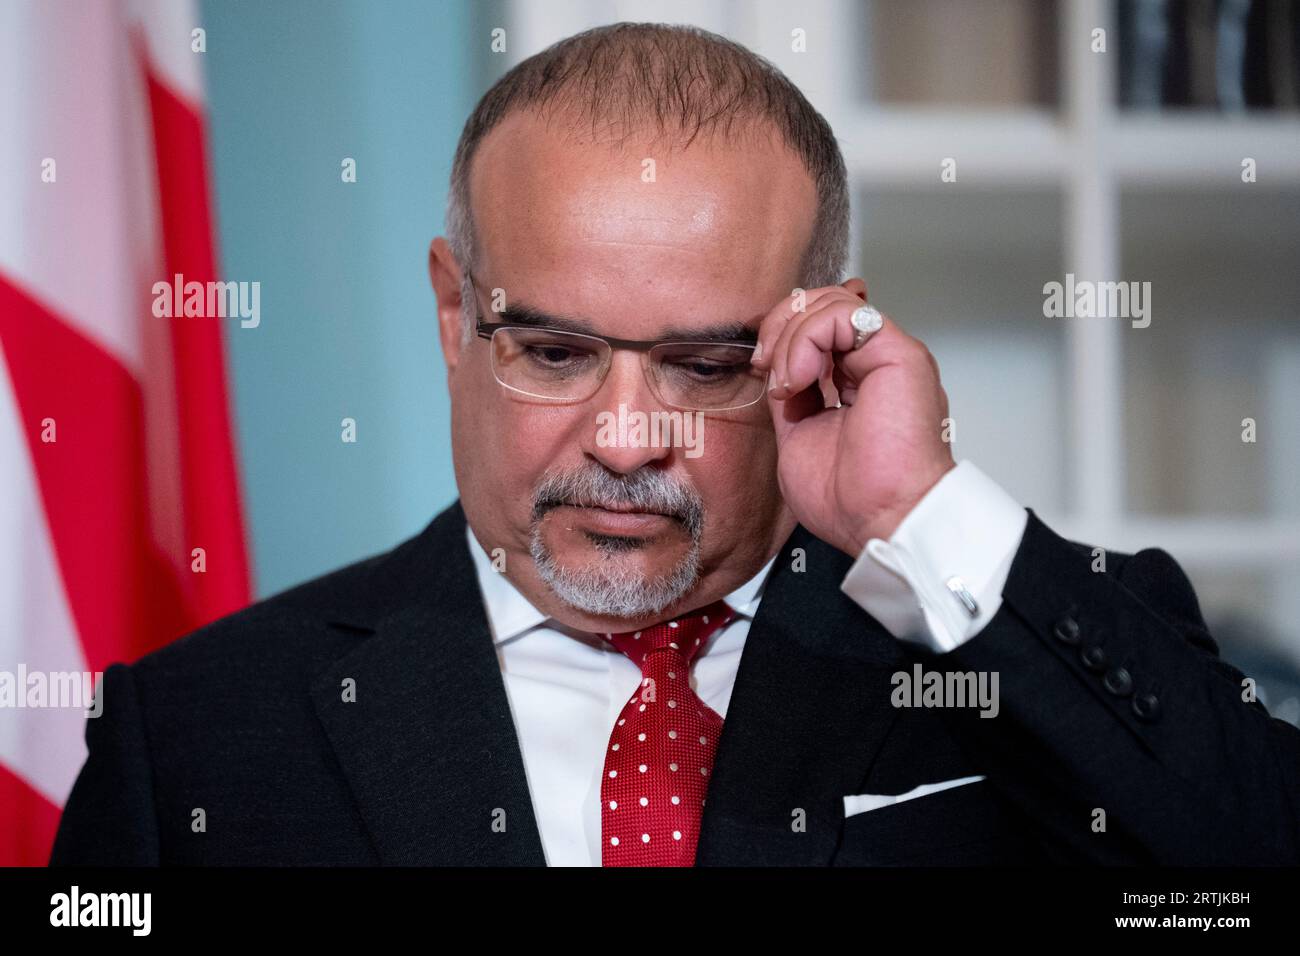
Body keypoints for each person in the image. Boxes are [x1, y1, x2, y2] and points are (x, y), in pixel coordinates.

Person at [51, 22, 1300, 867]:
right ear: (453, 312)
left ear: (824, 334)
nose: (629, 435)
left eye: (707, 365)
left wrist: (919, 515)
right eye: (553, 352)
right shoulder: (198, 735)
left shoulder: (997, 638)